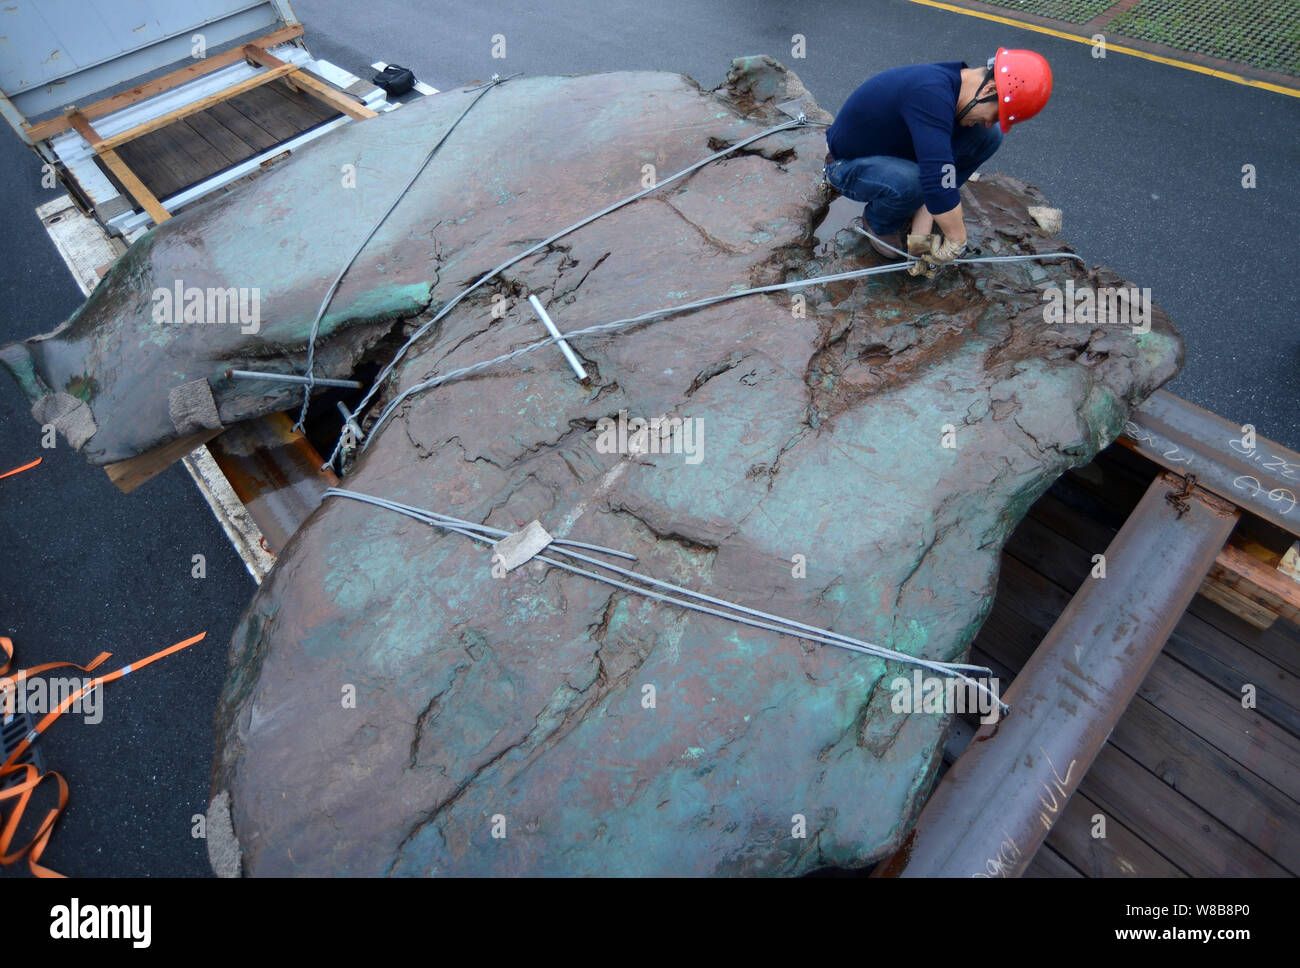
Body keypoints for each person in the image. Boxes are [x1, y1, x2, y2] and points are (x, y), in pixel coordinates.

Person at [824, 48, 1052, 274]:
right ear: (989, 90)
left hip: (903, 157)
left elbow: (939, 176)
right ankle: (878, 222)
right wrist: (957, 240)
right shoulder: (930, 94)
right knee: (912, 183)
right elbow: (936, 177)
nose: (989, 122)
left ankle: (917, 205)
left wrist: (920, 247)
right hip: (847, 164)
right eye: (994, 115)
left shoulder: (958, 88)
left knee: (989, 137)